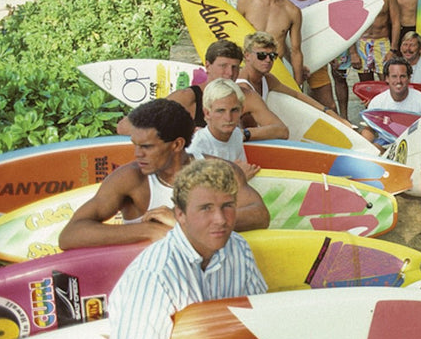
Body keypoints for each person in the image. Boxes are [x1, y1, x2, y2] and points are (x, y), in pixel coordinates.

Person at [107, 158, 268, 339]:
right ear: (179, 215)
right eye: (206, 208)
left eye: (227, 205)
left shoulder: (238, 248)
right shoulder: (155, 278)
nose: (221, 220)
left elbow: (261, 328)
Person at [60, 99, 270, 250]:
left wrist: (184, 221)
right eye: (136, 145)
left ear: (177, 144)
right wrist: (148, 231)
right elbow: (70, 235)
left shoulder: (218, 171)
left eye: (147, 147)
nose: (137, 154)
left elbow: (259, 215)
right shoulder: (131, 179)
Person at [115, 40, 289, 142]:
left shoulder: (245, 95)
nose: (229, 74)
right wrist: (185, 132)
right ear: (207, 66)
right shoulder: (187, 97)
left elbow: (281, 130)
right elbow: (124, 127)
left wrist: (240, 134)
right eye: (223, 66)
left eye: (235, 68)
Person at [237, 32, 352, 128]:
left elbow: (297, 95)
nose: (268, 60)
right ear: (247, 56)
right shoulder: (243, 87)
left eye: (272, 56)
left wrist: (328, 112)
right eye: (261, 55)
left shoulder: (267, 79)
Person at [238, 0, 305, 83]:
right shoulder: (245, 3)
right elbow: (232, 37)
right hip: (247, 70)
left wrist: (298, 83)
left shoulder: (292, 11)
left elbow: (296, 51)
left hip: (274, 71)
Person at [284, 0, 337, 114]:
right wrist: (294, 63)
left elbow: (323, 28)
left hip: (316, 57)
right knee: (297, 108)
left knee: (329, 106)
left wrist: (331, 55)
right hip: (291, 59)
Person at [311, 0, 358, 119]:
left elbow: (355, 12)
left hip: (340, 37)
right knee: (317, 82)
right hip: (317, 39)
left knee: (340, 78)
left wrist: (352, 48)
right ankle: (322, 118)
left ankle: (344, 117)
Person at [189, 78, 259, 179]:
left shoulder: (236, 134)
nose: (228, 118)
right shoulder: (197, 146)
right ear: (207, 113)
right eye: (220, 111)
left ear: (242, 111)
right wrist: (237, 178)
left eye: (234, 110)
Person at [360, 58, 421, 146]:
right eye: (394, 76)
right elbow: (369, 129)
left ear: (409, 78)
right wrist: (364, 144)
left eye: (403, 76)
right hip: (385, 143)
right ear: (387, 78)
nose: (398, 81)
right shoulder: (377, 102)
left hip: (414, 143)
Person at [353, 0, 401, 81]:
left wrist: (393, 50)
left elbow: (396, 22)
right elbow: (350, 27)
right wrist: (353, 52)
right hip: (362, 43)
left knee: (386, 81)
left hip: (382, 41)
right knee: (366, 83)